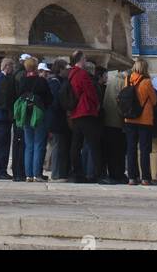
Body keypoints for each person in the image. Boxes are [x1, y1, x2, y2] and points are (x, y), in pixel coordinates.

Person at [14, 55, 52, 181]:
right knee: (39, 144)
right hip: (39, 115)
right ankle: (37, 174)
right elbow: (49, 99)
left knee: (29, 145)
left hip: (26, 116)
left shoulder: (23, 81)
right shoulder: (41, 81)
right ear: (36, 67)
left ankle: (28, 174)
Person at [121, 57, 157, 184]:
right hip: (144, 120)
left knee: (131, 148)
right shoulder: (147, 82)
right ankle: (145, 178)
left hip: (129, 118)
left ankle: (132, 177)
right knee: (144, 149)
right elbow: (154, 100)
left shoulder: (127, 79)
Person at [68, 50, 101, 183]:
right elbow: (90, 91)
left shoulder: (71, 74)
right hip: (85, 111)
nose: (86, 60)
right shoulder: (82, 74)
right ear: (80, 59)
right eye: (85, 58)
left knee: (76, 145)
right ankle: (96, 173)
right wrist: (97, 104)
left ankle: (77, 173)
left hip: (75, 113)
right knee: (93, 144)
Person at [100, 69, 127, 184]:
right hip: (117, 122)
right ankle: (118, 174)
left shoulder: (111, 81)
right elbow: (122, 102)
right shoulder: (122, 83)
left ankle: (112, 173)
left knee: (110, 150)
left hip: (107, 120)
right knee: (118, 151)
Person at [46, 59, 71, 181]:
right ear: (60, 69)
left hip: (60, 119)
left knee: (61, 146)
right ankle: (56, 173)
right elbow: (55, 102)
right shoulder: (54, 83)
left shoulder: (61, 81)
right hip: (56, 119)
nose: (68, 71)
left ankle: (61, 172)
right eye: (66, 69)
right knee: (57, 146)